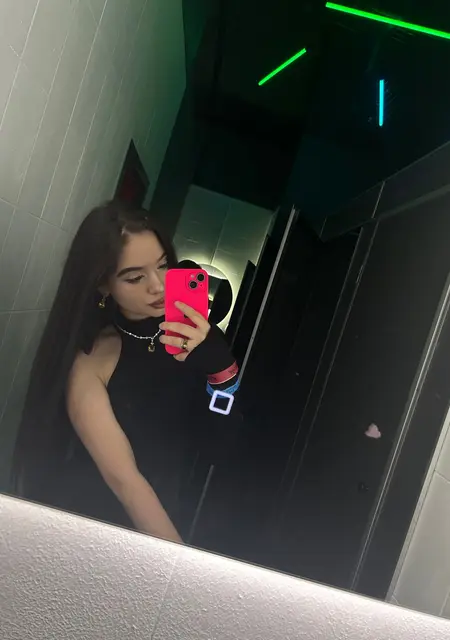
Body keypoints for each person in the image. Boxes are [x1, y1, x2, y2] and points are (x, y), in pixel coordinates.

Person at [11, 201, 240, 543]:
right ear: (103, 285)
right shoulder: (92, 358)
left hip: (171, 509)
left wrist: (222, 371)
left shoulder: (200, 338)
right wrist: (174, 561)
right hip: (97, 527)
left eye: (163, 266)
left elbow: (222, 446)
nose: (158, 286)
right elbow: (125, 481)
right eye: (135, 277)